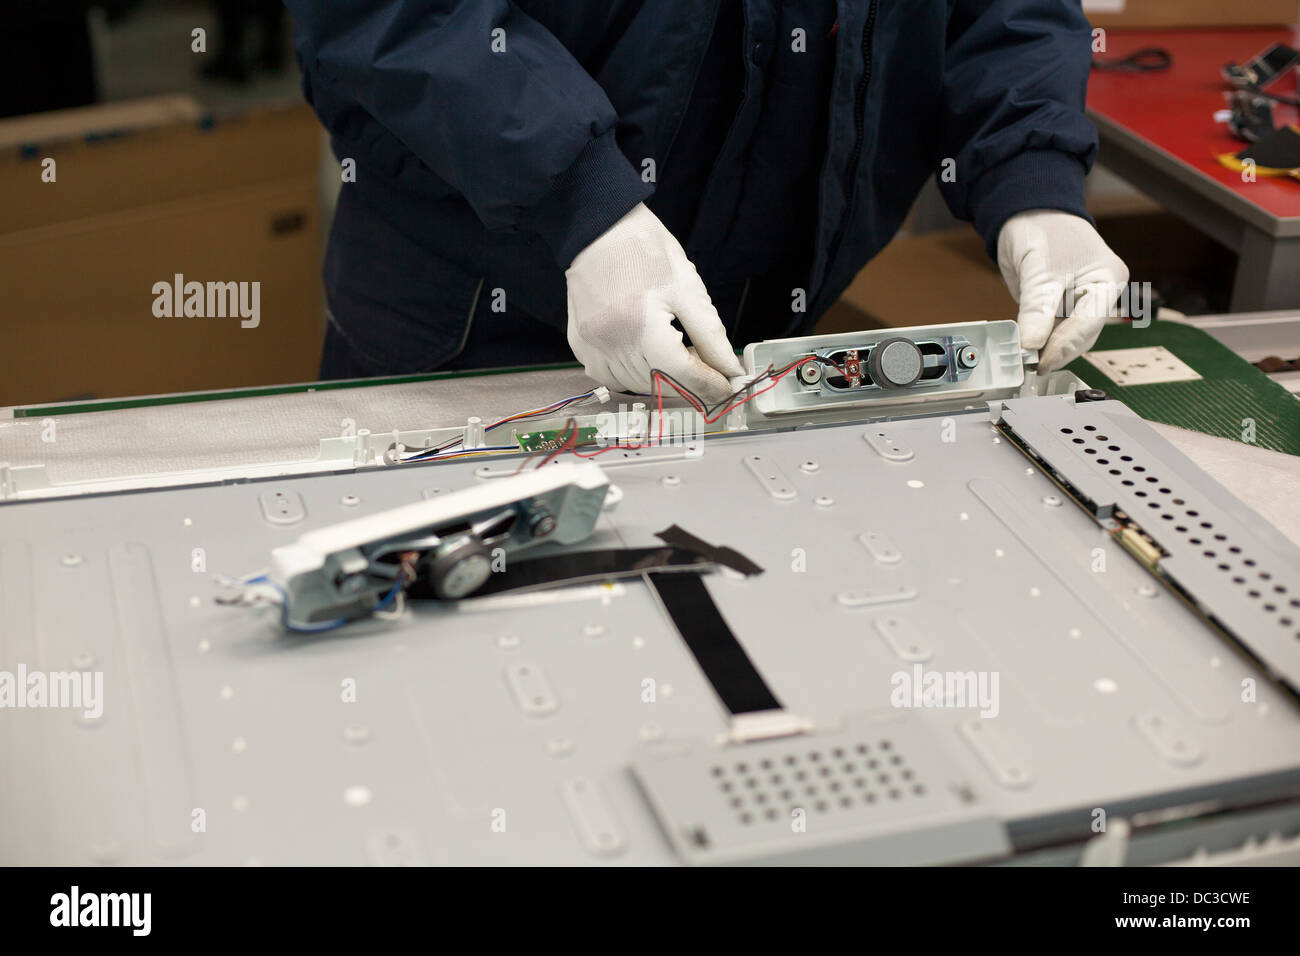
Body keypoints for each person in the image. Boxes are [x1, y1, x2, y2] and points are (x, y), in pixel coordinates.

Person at [285, 1, 1128, 401]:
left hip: (755, 338)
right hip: (469, 325)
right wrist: (584, 207)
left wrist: (1035, 183)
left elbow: (1004, 13)